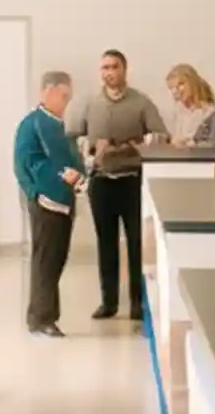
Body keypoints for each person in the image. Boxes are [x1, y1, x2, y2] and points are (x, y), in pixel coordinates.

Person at [67, 49, 167, 321]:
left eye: (114, 67)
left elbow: (160, 136)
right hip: (101, 182)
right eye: (104, 68)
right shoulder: (89, 103)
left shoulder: (141, 102)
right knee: (106, 242)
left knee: (135, 242)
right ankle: (108, 302)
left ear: (124, 69)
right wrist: (90, 148)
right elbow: (73, 137)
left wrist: (136, 144)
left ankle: (137, 303)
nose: (109, 72)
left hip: (132, 182)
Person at [14, 71, 85, 338]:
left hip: (66, 201)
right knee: (45, 260)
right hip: (46, 202)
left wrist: (80, 177)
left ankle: (47, 314)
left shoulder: (60, 126)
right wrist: (37, 191)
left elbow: (72, 158)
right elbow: (25, 162)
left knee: (57, 259)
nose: (66, 101)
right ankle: (41, 318)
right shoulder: (31, 124)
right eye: (63, 95)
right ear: (48, 91)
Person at [165, 63, 215, 152]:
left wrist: (189, 146)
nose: (176, 91)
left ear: (192, 83)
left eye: (181, 85)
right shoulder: (177, 114)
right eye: (172, 88)